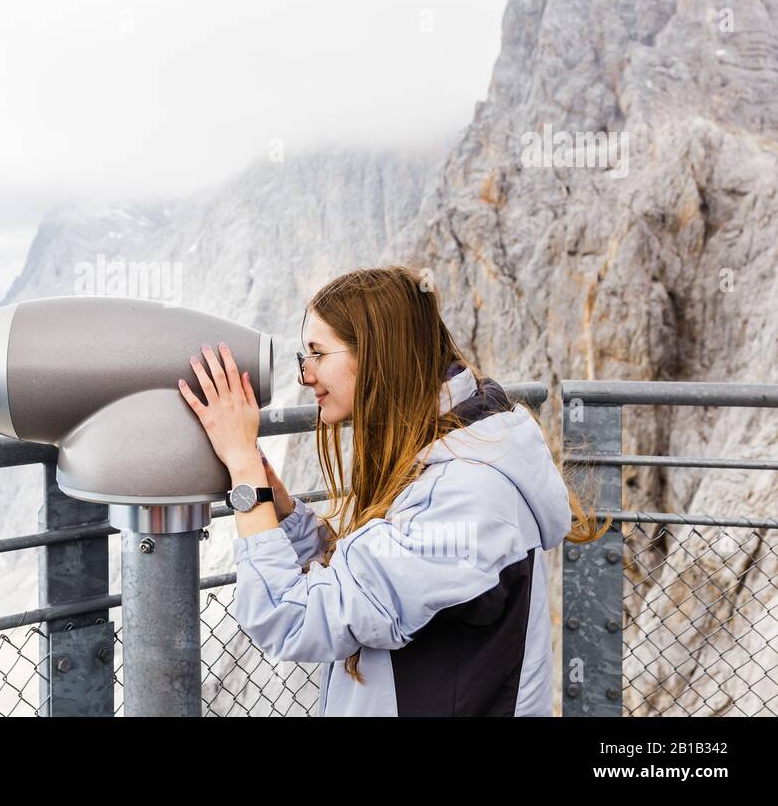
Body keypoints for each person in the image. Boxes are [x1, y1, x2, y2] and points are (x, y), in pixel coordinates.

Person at [177, 265, 609, 716]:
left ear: (377, 354)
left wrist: (245, 470)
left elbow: (292, 618)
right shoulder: (452, 454)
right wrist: (284, 513)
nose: (305, 376)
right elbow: (378, 580)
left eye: (317, 354)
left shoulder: (466, 496)